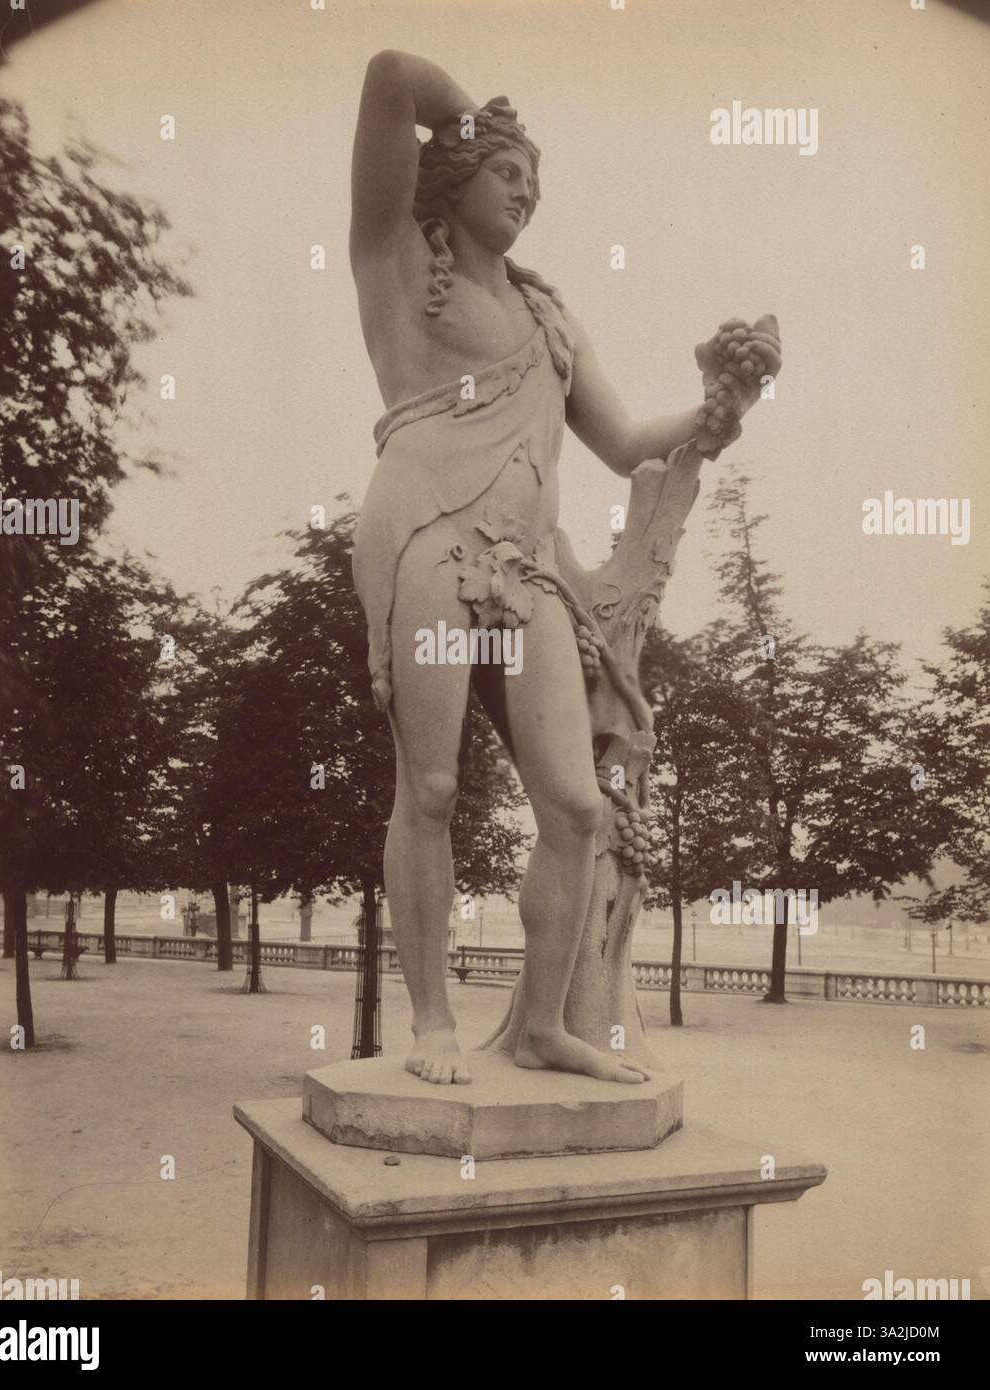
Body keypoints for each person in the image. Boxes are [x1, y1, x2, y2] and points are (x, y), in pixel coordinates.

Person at [350, 51, 781, 1085]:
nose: (528, 191)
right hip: (427, 540)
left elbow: (630, 438)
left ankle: (542, 1026)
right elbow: (387, 80)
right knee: (436, 783)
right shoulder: (399, 257)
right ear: (458, 176)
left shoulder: (549, 317)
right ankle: (433, 1026)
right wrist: (473, 117)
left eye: (537, 180)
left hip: (527, 566)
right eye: (511, 173)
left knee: (579, 809)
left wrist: (717, 411)